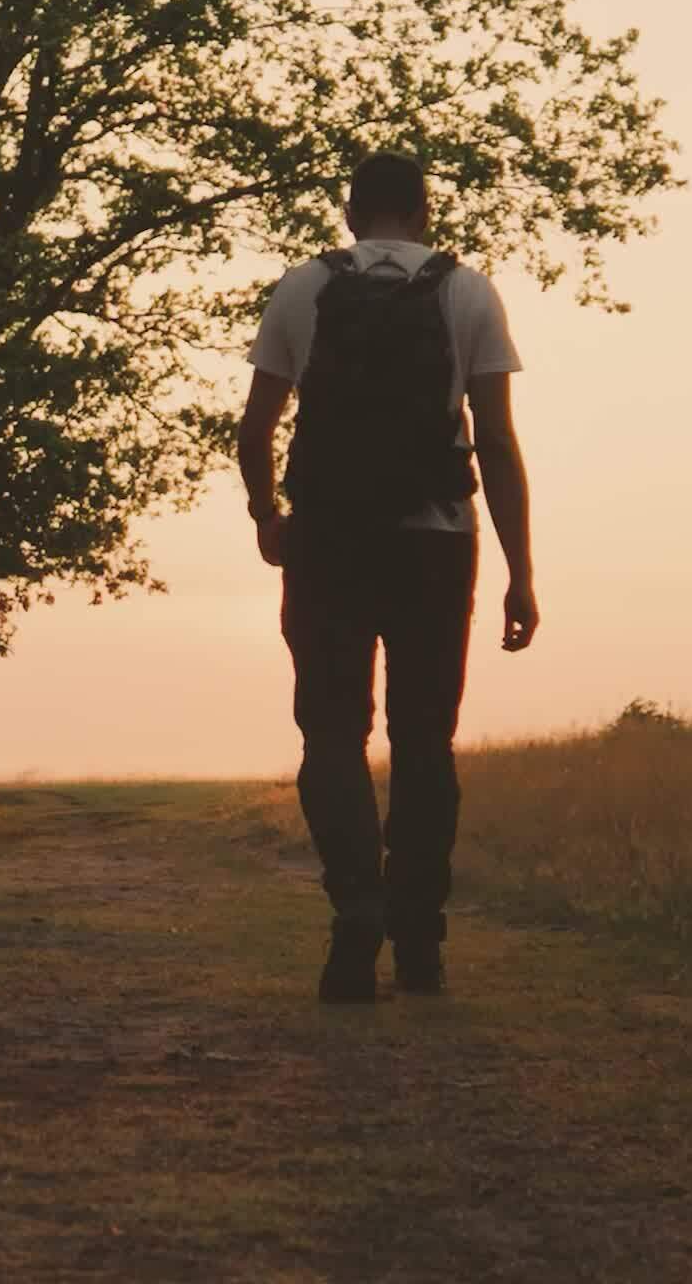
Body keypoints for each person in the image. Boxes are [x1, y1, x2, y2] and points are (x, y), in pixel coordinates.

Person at [237, 151, 538, 1002]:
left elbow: (255, 427)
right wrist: (520, 572)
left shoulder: (303, 287)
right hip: (435, 542)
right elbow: (499, 444)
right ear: (425, 209)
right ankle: (420, 944)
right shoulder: (467, 291)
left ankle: (354, 920)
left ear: (348, 210)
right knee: (423, 742)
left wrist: (269, 516)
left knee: (332, 735)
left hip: (328, 541)